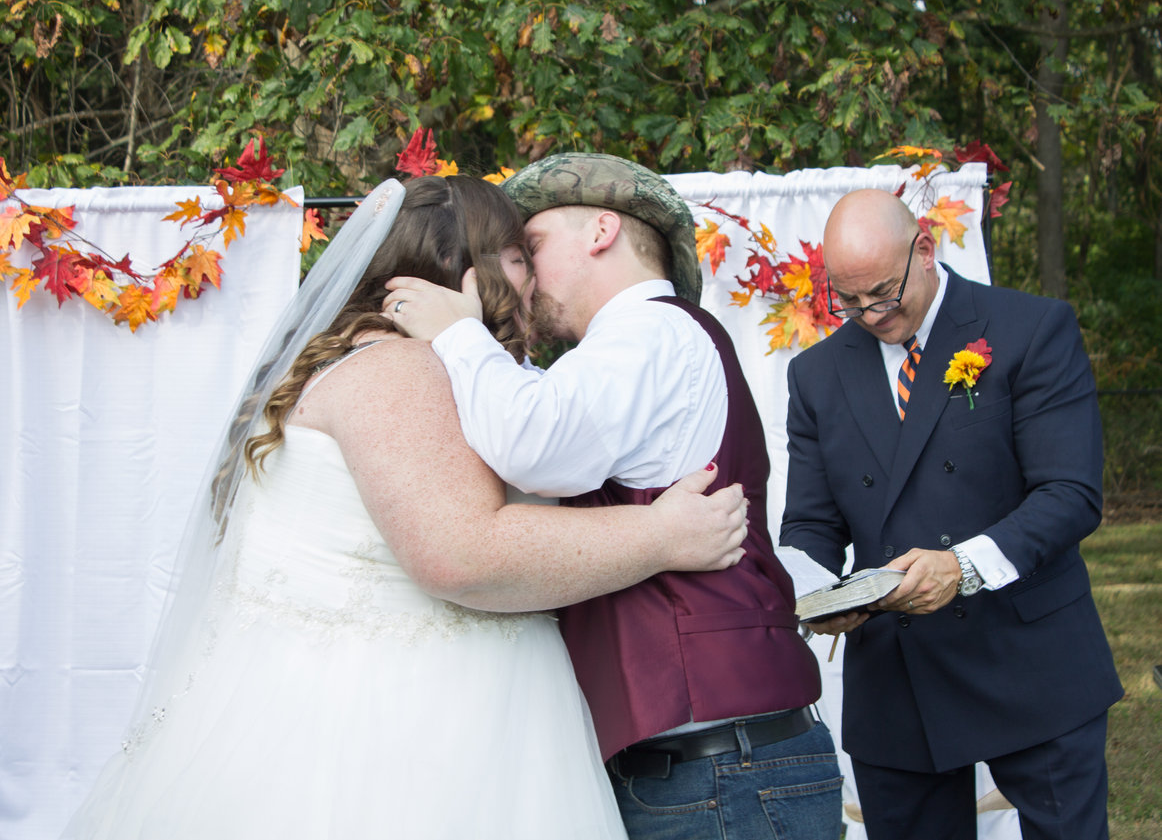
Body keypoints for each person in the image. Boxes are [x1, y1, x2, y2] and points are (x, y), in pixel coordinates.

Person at [60, 175, 753, 840]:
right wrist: (659, 534)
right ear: (462, 265)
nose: (531, 281)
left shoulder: (390, 362)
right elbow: (461, 553)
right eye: (516, 257)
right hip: (393, 736)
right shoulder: (400, 369)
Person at [383, 153, 842, 840]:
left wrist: (457, 331)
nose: (526, 275)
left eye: (533, 246)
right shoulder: (629, 348)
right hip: (708, 770)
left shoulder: (651, 331)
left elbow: (534, 445)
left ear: (601, 230)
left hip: (719, 774)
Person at [780, 188, 1123, 840]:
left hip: (1028, 657)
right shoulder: (816, 376)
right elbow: (811, 525)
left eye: (882, 293)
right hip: (897, 675)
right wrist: (815, 593)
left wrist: (962, 567)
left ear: (926, 250)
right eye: (847, 301)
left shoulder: (1030, 329)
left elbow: (1069, 493)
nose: (868, 314)